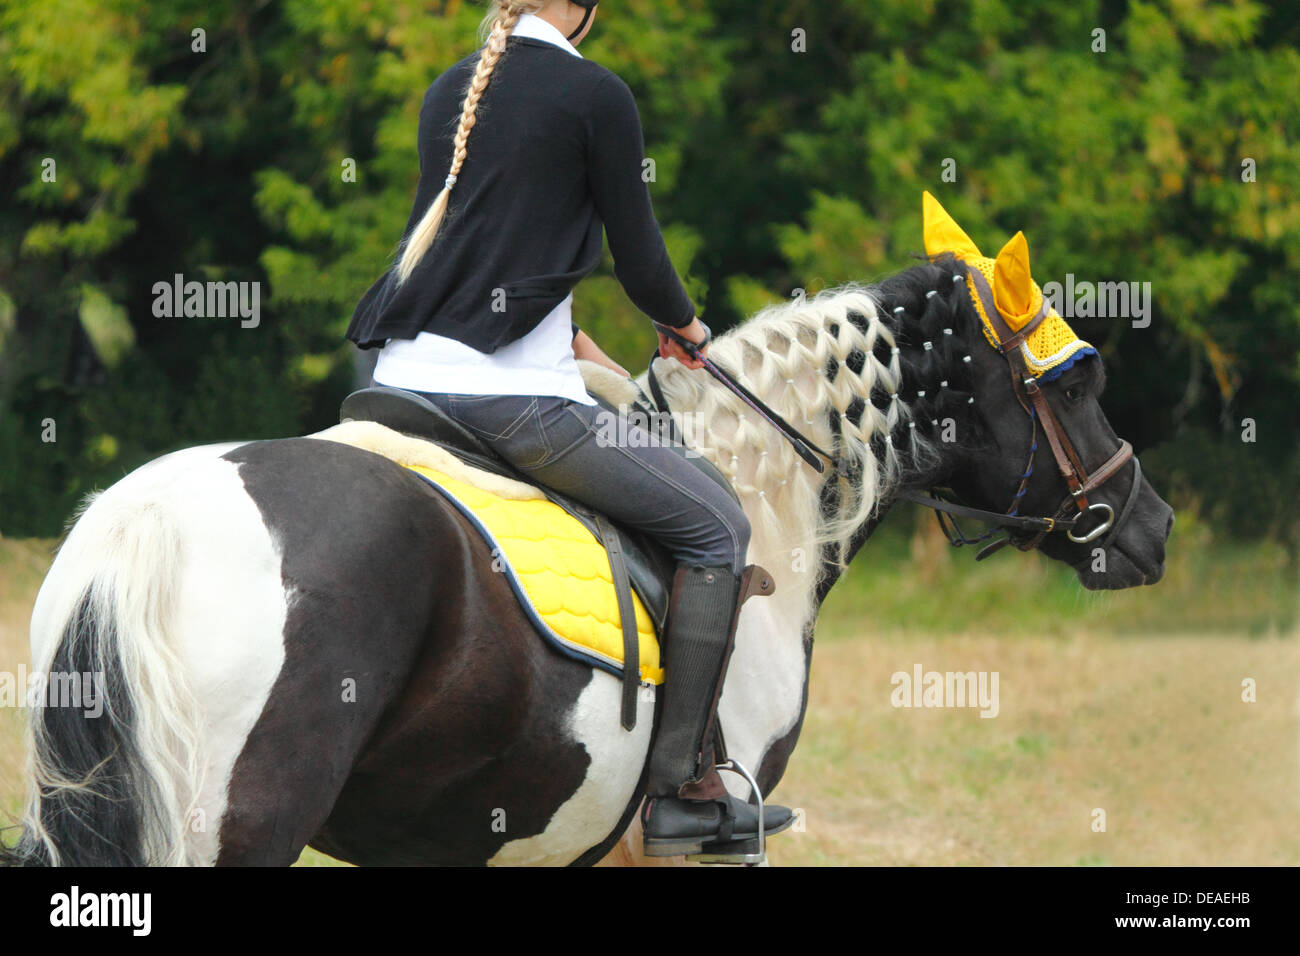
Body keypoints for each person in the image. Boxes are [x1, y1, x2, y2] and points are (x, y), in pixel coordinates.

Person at [346, 0, 792, 857]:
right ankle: (682, 792)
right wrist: (686, 327)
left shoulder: (451, 91)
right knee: (715, 527)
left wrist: (571, 336)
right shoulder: (595, 95)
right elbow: (641, 257)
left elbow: (488, 248)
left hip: (400, 383)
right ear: (581, 8)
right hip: (509, 402)